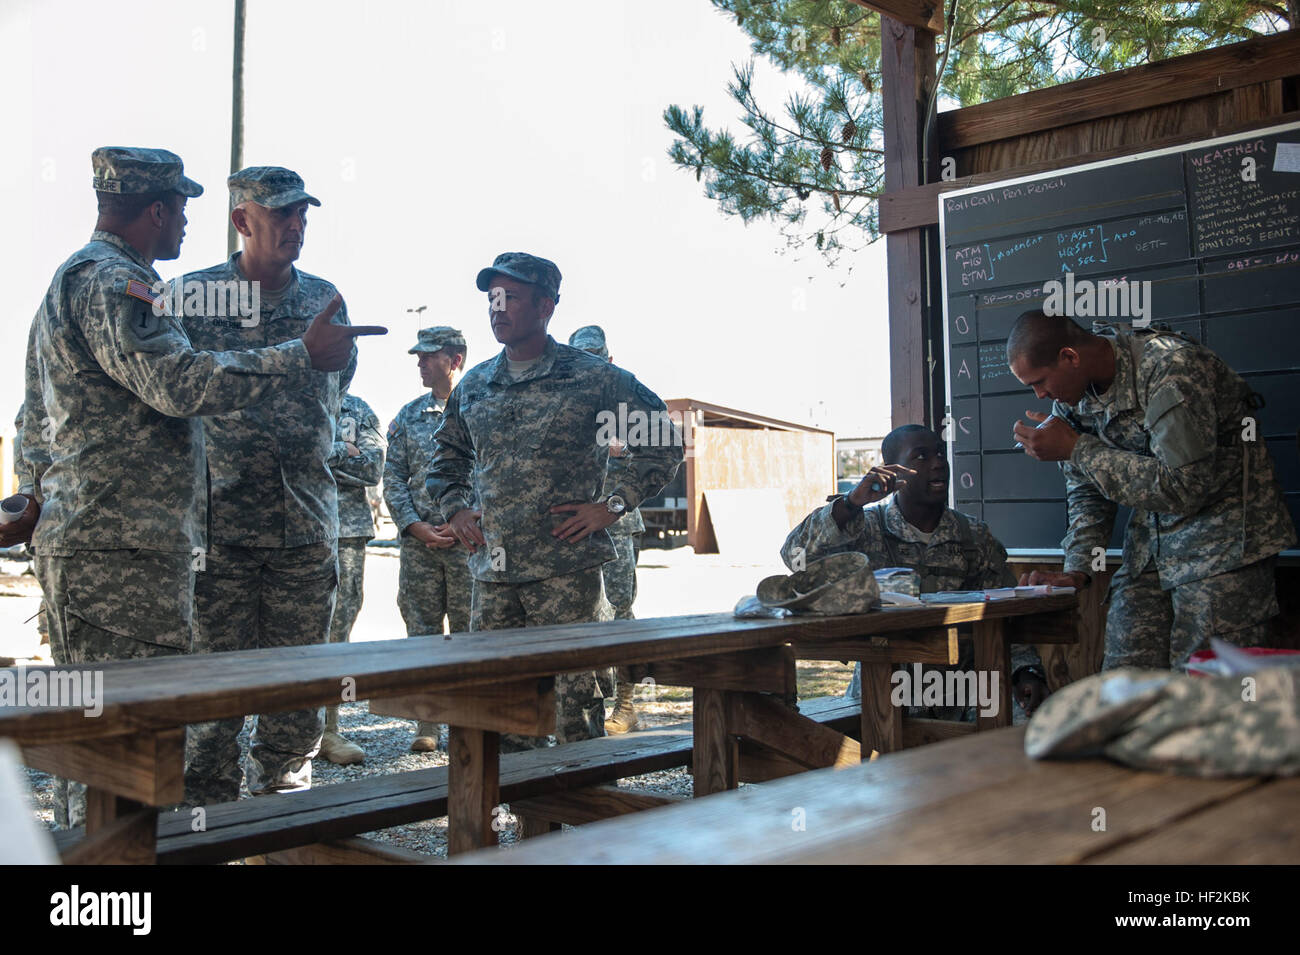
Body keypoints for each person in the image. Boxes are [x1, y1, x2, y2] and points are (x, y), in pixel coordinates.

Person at [6, 147, 376, 828]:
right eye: (181, 206)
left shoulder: (96, 279)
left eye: (302, 215)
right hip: (124, 552)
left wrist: (31, 492)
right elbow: (179, 384)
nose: (185, 221)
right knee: (130, 745)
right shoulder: (124, 285)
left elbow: (39, 404)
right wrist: (297, 356)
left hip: (160, 548)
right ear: (158, 209)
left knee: (127, 741)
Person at [428, 253, 683, 750]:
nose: (497, 309)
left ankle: (582, 820)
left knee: (575, 713)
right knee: (501, 712)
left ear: (546, 306)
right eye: (492, 299)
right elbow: (446, 457)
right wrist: (456, 510)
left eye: (512, 298)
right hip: (494, 576)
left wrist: (611, 505)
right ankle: (515, 821)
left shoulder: (593, 377)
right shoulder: (476, 384)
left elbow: (663, 442)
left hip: (567, 576)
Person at [180, 166, 371, 804]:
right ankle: (208, 830)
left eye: (303, 215)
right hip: (217, 533)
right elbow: (172, 387)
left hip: (304, 531)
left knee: (297, 697)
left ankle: (286, 829)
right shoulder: (193, 297)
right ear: (242, 221)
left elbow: (335, 391)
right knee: (213, 698)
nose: (296, 226)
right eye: (282, 215)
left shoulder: (324, 299)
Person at [1006, 310, 1295, 670]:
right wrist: (1078, 568)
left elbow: (1185, 487)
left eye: (1041, 381)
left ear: (1070, 357)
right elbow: (1087, 491)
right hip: (1151, 550)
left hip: (1222, 546)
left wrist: (1078, 449)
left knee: (1203, 693)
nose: (1040, 393)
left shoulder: (1171, 367)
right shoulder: (1072, 400)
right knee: (1125, 685)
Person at [781, 424, 1050, 718]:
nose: (937, 463)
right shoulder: (865, 528)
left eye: (939, 454)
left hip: (965, 688)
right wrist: (850, 503)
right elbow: (795, 557)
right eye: (921, 456)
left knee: (1029, 727)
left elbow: (1006, 615)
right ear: (892, 471)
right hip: (887, 685)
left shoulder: (973, 536)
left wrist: (1026, 671)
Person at [383, 326, 474, 752]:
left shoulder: (480, 408)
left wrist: (467, 522)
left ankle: (468, 716)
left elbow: (496, 475)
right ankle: (428, 722)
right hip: (420, 544)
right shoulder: (407, 416)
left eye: (427, 356)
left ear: (454, 360)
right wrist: (414, 525)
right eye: (418, 356)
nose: (419, 363)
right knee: (421, 631)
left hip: (469, 545)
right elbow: (393, 478)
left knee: (468, 632)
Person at [568, 324, 643, 734]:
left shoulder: (628, 402)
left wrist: (622, 443)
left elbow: (656, 454)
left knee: (619, 611)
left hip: (618, 524)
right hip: (577, 526)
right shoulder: (565, 402)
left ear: (609, 358)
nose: (590, 363)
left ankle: (627, 705)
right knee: (582, 614)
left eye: (597, 355)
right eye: (583, 356)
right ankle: (583, 708)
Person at [320, 389, 386, 764]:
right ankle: (282, 735)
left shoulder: (359, 409)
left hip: (346, 531)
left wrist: (320, 457)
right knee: (284, 634)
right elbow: (285, 455)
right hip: (289, 527)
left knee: (337, 633)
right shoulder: (287, 390)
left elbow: (373, 468)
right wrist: (344, 451)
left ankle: (329, 729)